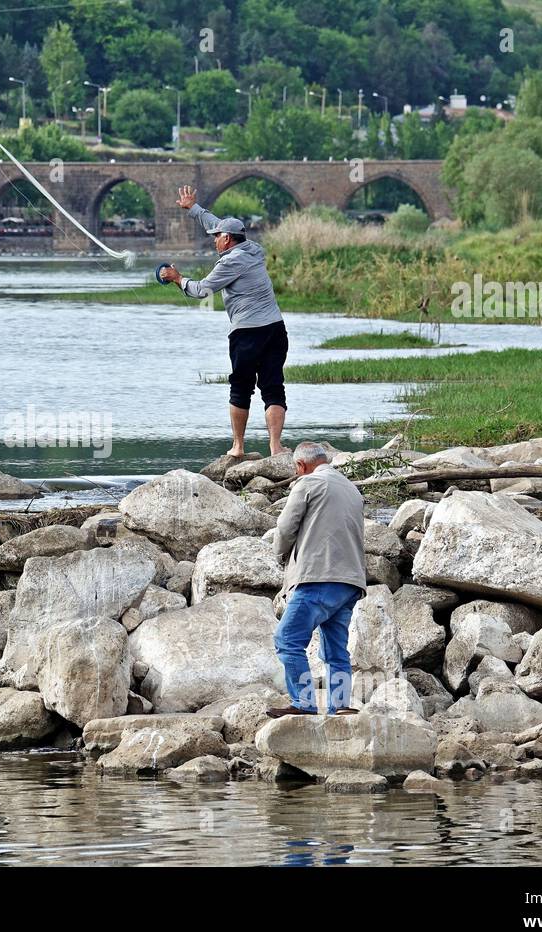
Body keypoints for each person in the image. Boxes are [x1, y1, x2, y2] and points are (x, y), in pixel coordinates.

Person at [158, 185, 287, 458]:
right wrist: (193, 209)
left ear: (227, 239)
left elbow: (201, 290)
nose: (214, 241)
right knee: (273, 386)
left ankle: (238, 447)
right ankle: (276, 447)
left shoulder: (230, 263)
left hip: (247, 334)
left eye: (217, 238)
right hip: (276, 329)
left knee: (241, 388)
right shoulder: (253, 248)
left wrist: (177, 278)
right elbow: (215, 223)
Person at [266, 441, 367, 717]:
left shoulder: (308, 483)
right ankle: (341, 706)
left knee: (287, 639)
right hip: (350, 581)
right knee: (336, 649)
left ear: (301, 465)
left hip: (317, 577)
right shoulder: (352, 489)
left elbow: (285, 529)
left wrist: (279, 554)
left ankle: (303, 703)